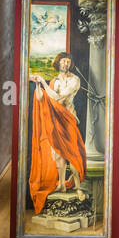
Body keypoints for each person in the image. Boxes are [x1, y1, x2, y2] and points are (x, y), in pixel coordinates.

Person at [28, 52, 88, 213]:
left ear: (71, 64)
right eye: (63, 61)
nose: (66, 64)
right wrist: (38, 85)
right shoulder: (54, 81)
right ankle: (61, 184)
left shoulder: (74, 80)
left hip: (68, 118)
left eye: (68, 61)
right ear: (58, 63)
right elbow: (41, 100)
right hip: (55, 120)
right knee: (57, 153)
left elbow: (59, 98)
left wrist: (44, 84)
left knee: (72, 152)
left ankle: (77, 187)